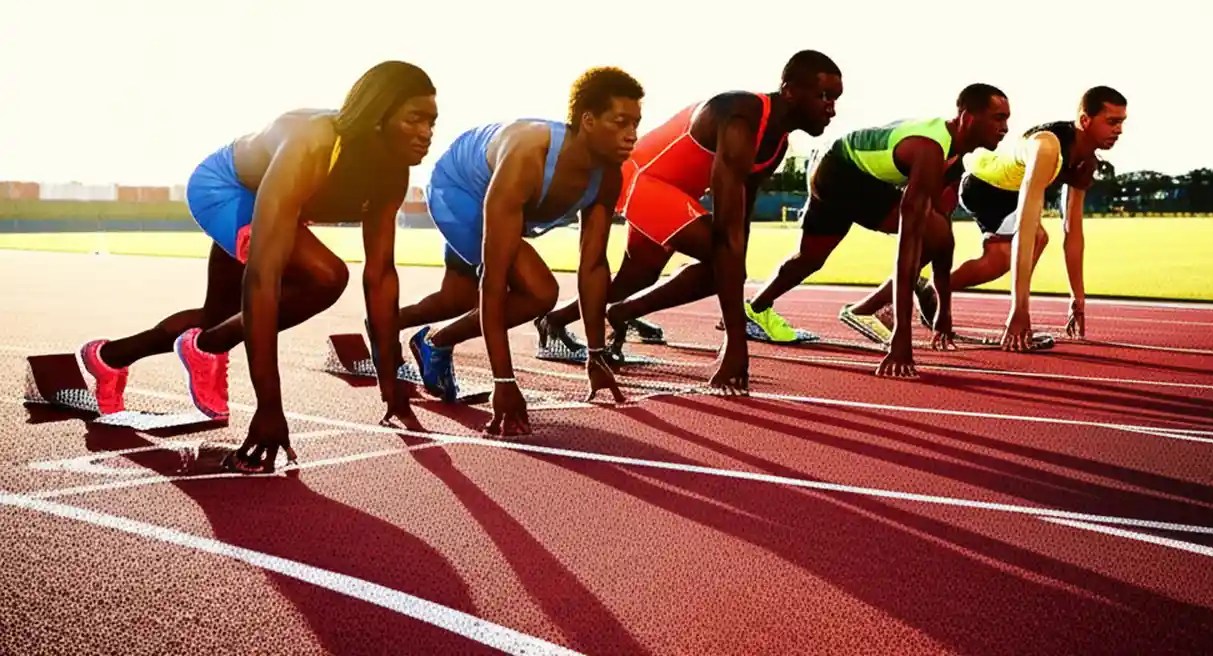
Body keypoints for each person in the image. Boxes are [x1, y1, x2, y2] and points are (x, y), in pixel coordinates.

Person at [77, 60, 438, 473]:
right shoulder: (314, 143)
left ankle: (108, 357)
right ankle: (206, 348)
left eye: (432, 121)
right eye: (415, 119)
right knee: (327, 275)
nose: (426, 133)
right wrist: (269, 407)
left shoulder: (392, 171)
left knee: (218, 319)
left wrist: (390, 383)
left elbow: (380, 275)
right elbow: (262, 279)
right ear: (379, 116)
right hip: (226, 188)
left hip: (277, 201)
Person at [534, 50, 843, 393]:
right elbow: (725, 236)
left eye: (835, 99)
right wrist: (736, 346)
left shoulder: (776, 145)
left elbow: (740, 220)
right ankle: (621, 313)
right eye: (823, 96)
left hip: (670, 192)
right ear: (788, 90)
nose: (831, 108)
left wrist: (736, 259)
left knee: (639, 276)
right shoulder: (740, 117)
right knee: (723, 261)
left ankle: (557, 320)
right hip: (640, 180)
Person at [398, 66, 642, 438]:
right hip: (459, 190)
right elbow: (493, 279)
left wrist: (596, 354)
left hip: (496, 194)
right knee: (540, 291)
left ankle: (389, 324)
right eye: (621, 122)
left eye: (636, 123)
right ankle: (432, 341)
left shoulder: (608, 176)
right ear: (588, 120)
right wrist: (504, 380)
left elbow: (593, 265)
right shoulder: (530, 155)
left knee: (454, 298)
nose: (632, 136)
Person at [744, 84, 1011, 377]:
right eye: (998, 118)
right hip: (841, 171)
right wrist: (901, 339)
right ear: (969, 118)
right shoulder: (929, 150)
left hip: (839, 165)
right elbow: (910, 241)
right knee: (928, 233)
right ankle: (865, 309)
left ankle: (754, 309)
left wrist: (945, 313)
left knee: (810, 257)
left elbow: (943, 239)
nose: (1005, 128)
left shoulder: (954, 158)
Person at [948, 86, 1127, 350]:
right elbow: (1027, 227)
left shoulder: (1085, 162)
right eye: (1112, 122)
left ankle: (924, 290)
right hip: (984, 185)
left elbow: (1072, 231)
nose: (1119, 130)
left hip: (1007, 193)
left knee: (997, 260)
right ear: (1085, 120)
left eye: (1122, 122)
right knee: (1036, 239)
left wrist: (1078, 299)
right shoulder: (1047, 146)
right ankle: (926, 292)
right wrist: (1019, 311)